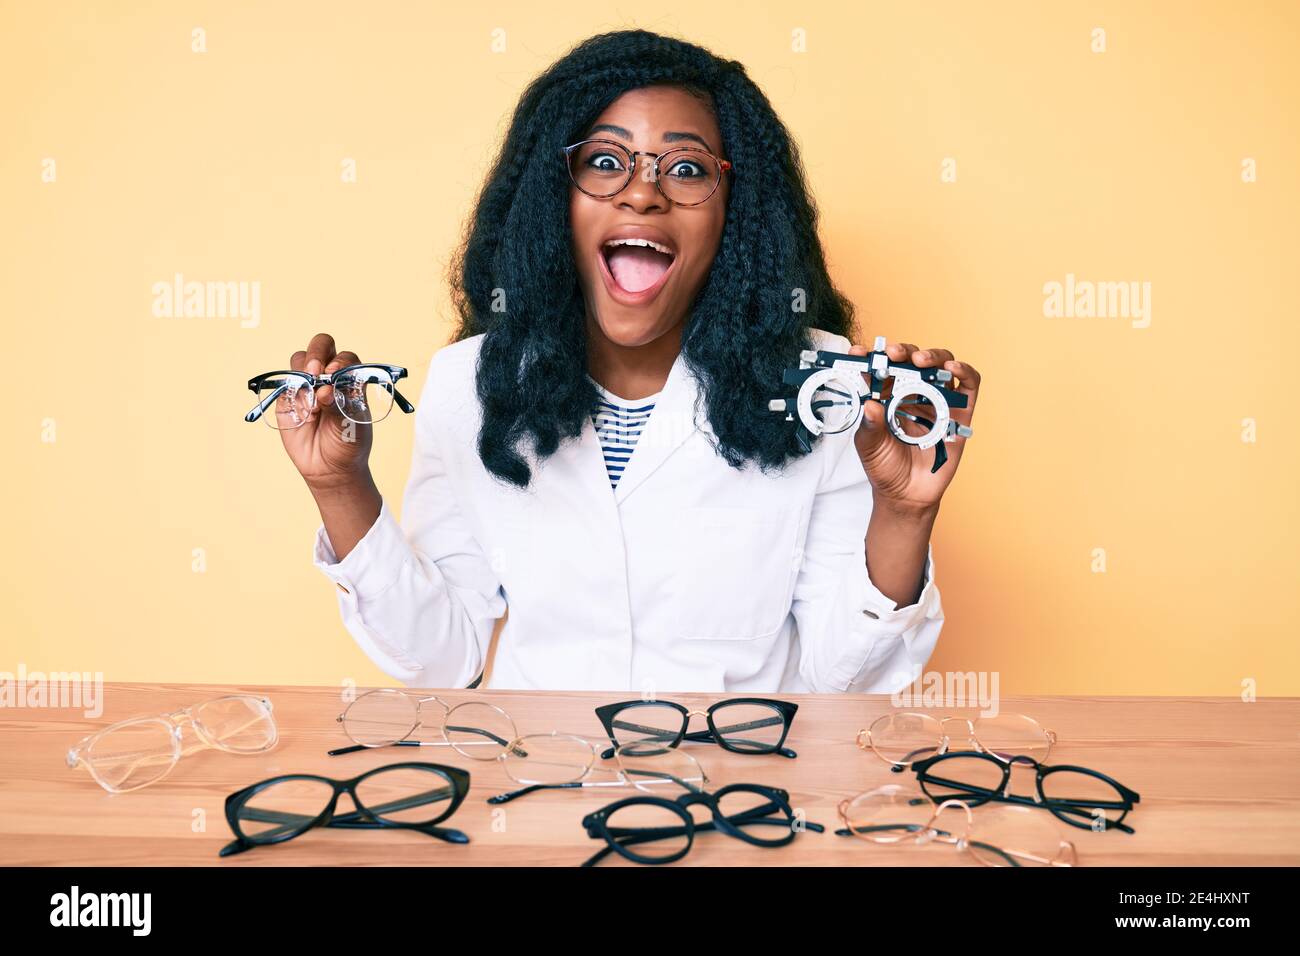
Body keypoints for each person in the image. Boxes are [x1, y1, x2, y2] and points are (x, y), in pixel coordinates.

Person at [274, 30, 980, 693]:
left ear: (737, 211)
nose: (644, 192)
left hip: (746, 795)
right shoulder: (470, 384)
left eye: (687, 169)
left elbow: (842, 675)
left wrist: (902, 513)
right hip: (542, 790)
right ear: (556, 199)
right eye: (605, 162)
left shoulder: (826, 392)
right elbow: (443, 656)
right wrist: (341, 488)